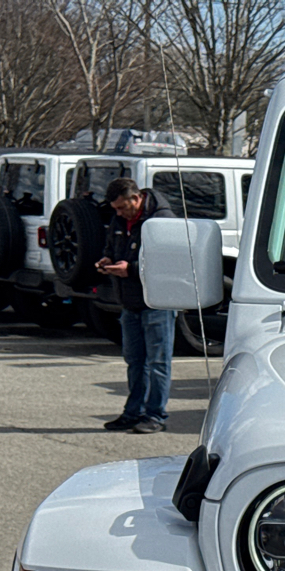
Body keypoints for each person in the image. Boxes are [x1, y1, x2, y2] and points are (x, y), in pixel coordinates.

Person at [97, 177, 176, 433]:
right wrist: (107, 259)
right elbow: (112, 246)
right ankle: (133, 412)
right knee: (134, 360)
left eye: (122, 207)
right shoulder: (120, 220)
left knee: (158, 362)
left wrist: (129, 269)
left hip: (157, 301)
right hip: (130, 301)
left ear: (136, 198)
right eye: (115, 209)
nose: (118, 213)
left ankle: (156, 415)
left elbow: (169, 261)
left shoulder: (162, 220)